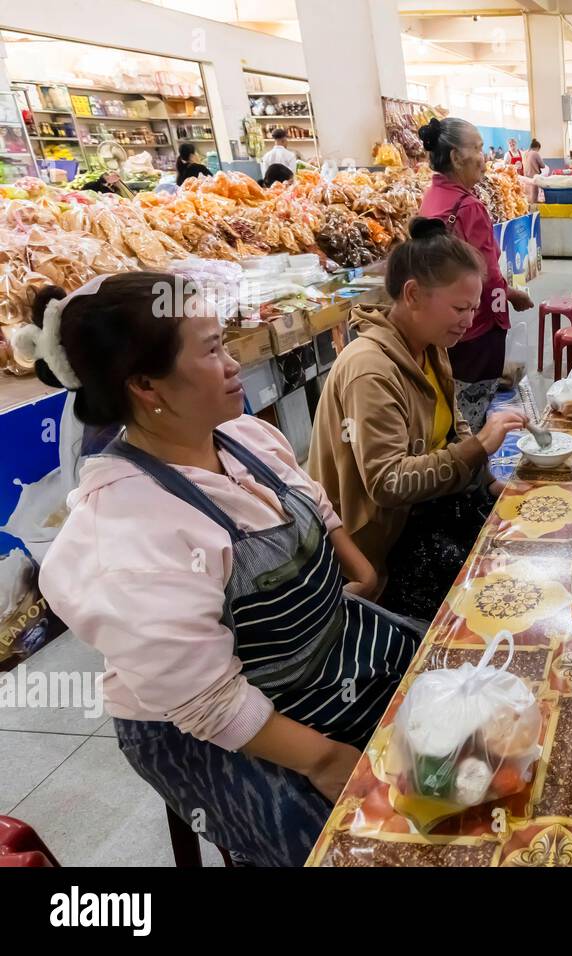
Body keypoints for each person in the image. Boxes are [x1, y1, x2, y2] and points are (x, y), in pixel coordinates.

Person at [26, 272, 415, 867]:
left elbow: (307, 493)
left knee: (450, 692)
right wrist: (327, 759)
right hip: (210, 723)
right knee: (369, 844)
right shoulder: (128, 529)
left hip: (311, 653)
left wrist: (352, 564)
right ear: (145, 384)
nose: (234, 363)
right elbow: (210, 703)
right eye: (211, 350)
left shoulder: (240, 436)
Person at [309, 218, 528, 619]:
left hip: (420, 515)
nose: (468, 320)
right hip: (379, 546)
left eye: (474, 308)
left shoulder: (429, 344)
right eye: (460, 308)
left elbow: (452, 427)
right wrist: (478, 447)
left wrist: (489, 481)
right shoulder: (370, 370)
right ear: (412, 295)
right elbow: (388, 483)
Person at [417, 117, 534, 432]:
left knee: (453, 408)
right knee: (476, 415)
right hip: (475, 329)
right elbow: (488, 275)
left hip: (441, 327)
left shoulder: (432, 198)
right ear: (456, 157)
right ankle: (479, 472)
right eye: (478, 148)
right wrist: (503, 313)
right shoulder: (469, 207)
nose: (484, 157)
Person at [522, 138, 545, 203]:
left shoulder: (524, 153)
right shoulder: (535, 153)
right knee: (534, 199)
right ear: (537, 147)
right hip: (534, 177)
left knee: (527, 198)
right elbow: (543, 165)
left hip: (526, 178)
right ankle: (534, 211)